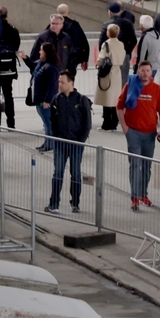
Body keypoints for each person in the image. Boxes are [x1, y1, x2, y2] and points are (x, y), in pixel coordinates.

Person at [119, 58, 160, 208]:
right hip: (133, 133)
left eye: (147, 71)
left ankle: (143, 194)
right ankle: (135, 198)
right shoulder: (130, 85)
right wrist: (124, 127)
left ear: (151, 72)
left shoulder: (157, 89)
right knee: (135, 165)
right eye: (142, 71)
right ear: (138, 71)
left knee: (146, 166)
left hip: (150, 134)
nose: (145, 74)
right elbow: (119, 106)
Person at [43, 71, 90, 213]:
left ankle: (75, 203)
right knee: (57, 173)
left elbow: (87, 124)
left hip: (76, 144)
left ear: (71, 83)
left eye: (62, 82)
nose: (59, 84)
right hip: (60, 143)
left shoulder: (81, 100)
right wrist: (55, 136)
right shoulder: (56, 100)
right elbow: (52, 121)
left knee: (75, 173)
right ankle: (54, 204)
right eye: (59, 82)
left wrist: (80, 141)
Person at [0, 6, 21, 129]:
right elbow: (16, 46)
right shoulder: (13, 30)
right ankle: (11, 123)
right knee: (8, 94)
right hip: (9, 68)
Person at [96, 22, 127, 131]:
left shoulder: (106, 44)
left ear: (108, 33)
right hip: (117, 72)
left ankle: (106, 123)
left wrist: (98, 65)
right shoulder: (121, 44)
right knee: (114, 99)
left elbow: (101, 58)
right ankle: (114, 122)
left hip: (107, 73)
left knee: (106, 99)